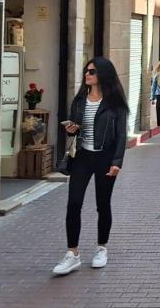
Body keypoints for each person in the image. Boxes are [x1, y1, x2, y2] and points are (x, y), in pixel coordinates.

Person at [53, 57, 128, 275]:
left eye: (92, 72)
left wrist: (117, 162)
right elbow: (75, 127)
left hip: (105, 158)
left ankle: (101, 248)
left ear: (103, 75)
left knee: (102, 205)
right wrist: (71, 129)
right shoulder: (79, 100)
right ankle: (72, 254)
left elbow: (121, 135)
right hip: (82, 157)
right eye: (86, 71)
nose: (87, 74)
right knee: (73, 204)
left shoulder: (115, 104)